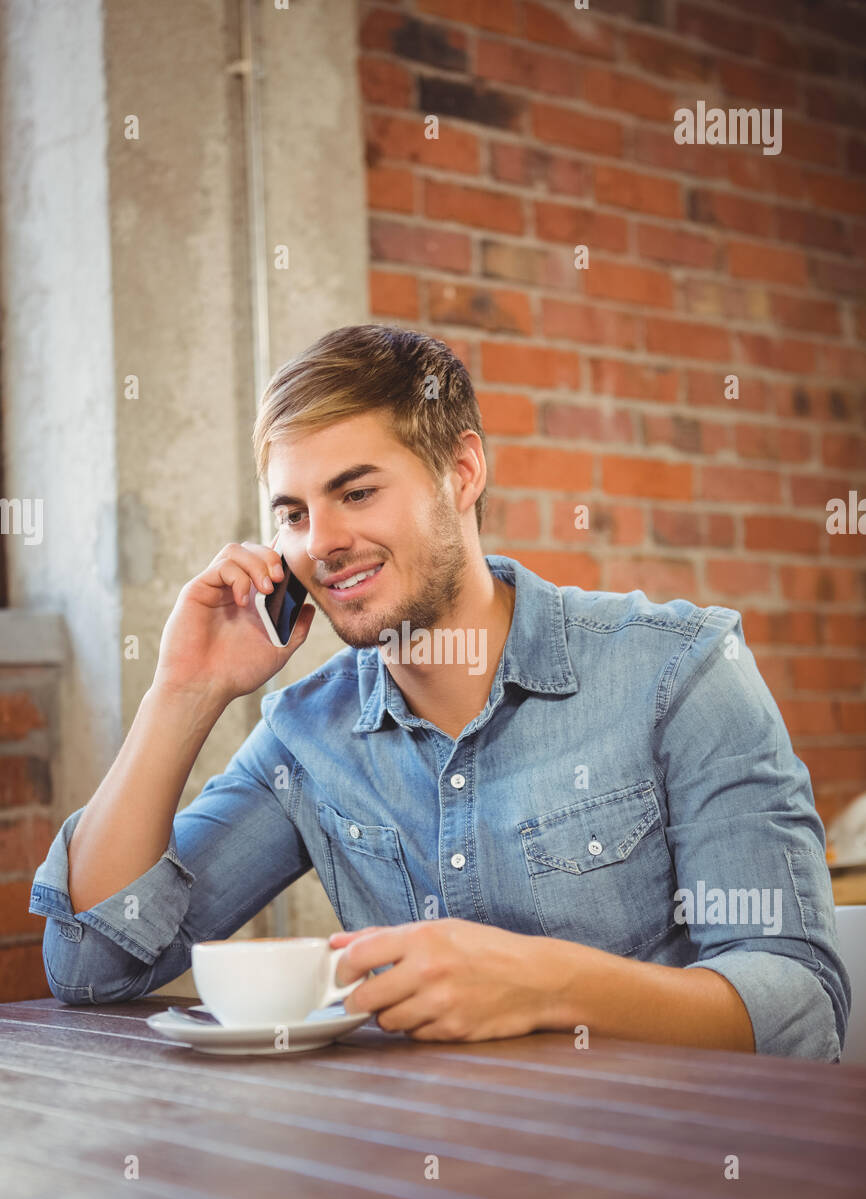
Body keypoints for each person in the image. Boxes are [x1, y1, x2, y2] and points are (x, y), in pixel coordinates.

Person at [31, 325, 850, 1059]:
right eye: (292, 513)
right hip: (421, 1188)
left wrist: (547, 986)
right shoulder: (305, 739)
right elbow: (94, 966)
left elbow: (800, 1005)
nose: (323, 544)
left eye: (357, 492)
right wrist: (183, 689)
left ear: (462, 471)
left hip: (666, 1182)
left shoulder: (680, 671)